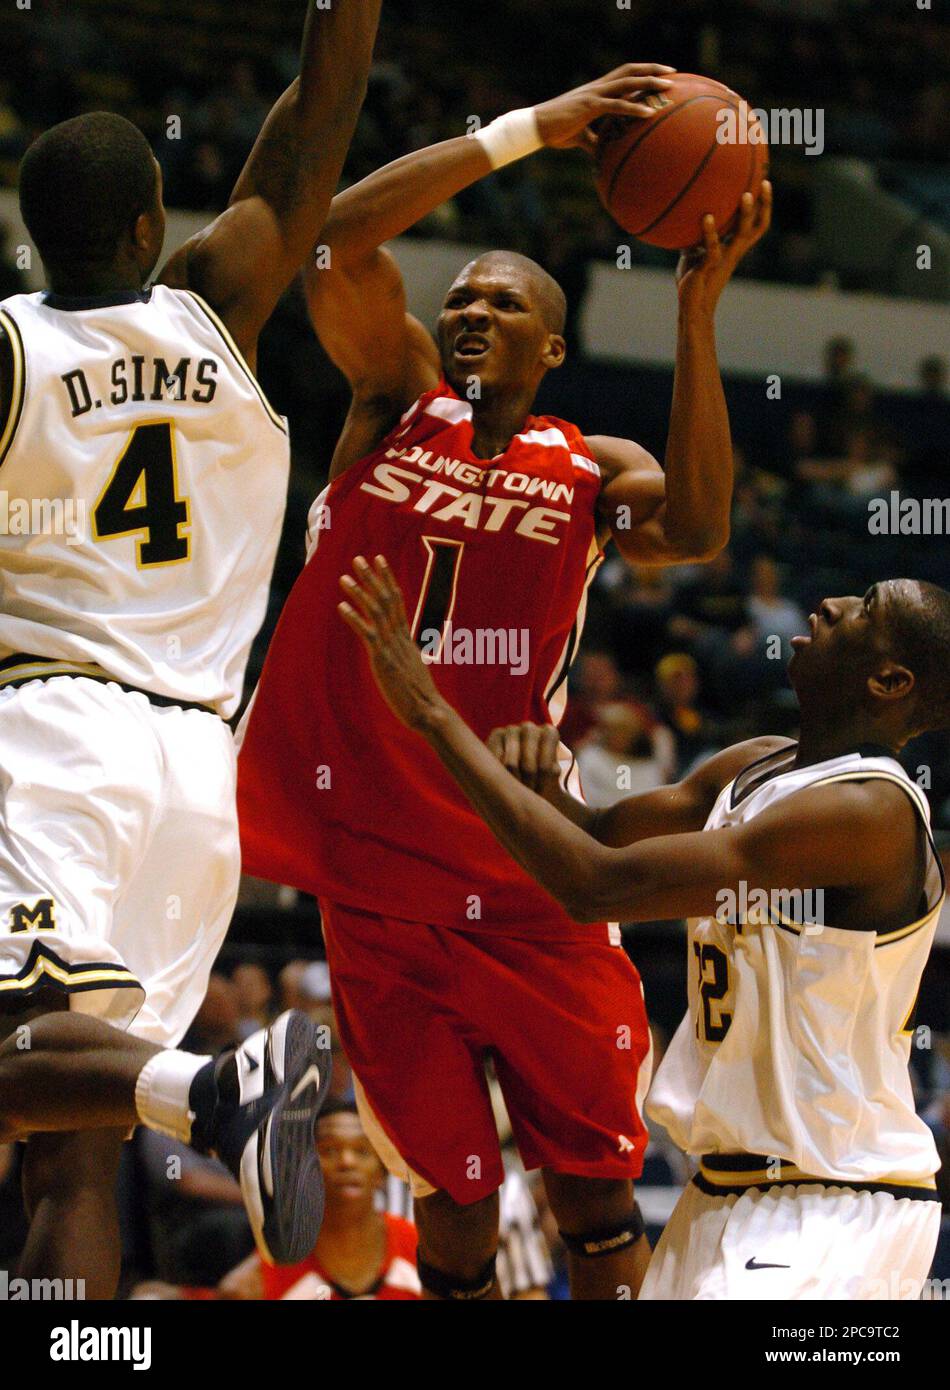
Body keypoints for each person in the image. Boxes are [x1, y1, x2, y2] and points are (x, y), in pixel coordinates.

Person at [237, 63, 771, 1300]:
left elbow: (692, 527)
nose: (470, 311)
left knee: (589, 1196)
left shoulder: (587, 465)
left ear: (552, 343)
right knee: (458, 1208)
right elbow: (331, 246)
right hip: (371, 873)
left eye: (501, 303)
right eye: (461, 296)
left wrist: (695, 316)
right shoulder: (392, 403)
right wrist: (533, 131)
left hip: (519, 857)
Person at [0, 0, 383, 1295]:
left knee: (38, 1076)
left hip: (52, 738)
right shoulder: (215, 309)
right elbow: (311, 130)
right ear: (153, 227)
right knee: (70, 1141)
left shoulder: (11, 343)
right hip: (194, 773)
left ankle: (215, 1085)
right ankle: (190, 1099)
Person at [339, 559, 947, 1300]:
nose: (831, 597)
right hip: (722, 1194)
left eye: (865, 606)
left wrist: (432, 714)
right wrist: (533, 776)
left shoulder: (869, 813)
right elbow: (595, 833)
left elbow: (596, 887)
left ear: (889, 682)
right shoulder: (753, 765)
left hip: (835, 1203)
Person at [218, 1101, 421, 1301]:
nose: (346, 1162)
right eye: (329, 1150)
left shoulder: (421, 1254)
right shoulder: (249, 1287)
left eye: (362, 1151)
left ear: (383, 1170)